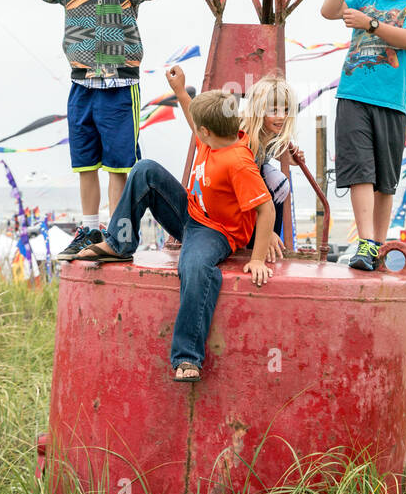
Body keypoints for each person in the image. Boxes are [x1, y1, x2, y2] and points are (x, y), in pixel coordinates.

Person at [77, 66, 276, 381]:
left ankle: (188, 357)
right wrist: (182, 92)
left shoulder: (239, 162)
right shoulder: (212, 139)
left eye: (199, 127)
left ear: (207, 131)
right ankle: (119, 242)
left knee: (195, 268)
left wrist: (257, 258)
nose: (196, 130)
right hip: (190, 213)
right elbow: (194, 118)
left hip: (215, 233)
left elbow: (267, 209)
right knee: (145, 170)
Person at [13, 0, 164, 260]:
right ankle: (89, 229)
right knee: (85, 163)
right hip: (82, 84)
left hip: (119, 84)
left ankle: (117, 234)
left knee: (118, 165)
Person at [320, 0, 406, 270]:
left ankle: (377, 244)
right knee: (360, 173)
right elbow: (328, 10)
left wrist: (370, 24)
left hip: (391, 103)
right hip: (353, 95)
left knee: (385, 180)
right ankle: (365, 242)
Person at [240, 72, 305, 246]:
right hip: (237, 187)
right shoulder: (244, 138)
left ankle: (269, 240)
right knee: (273, 183)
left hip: (251, 181)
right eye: (274, 111)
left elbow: (267, 150)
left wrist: (289, 158)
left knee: (280, 182)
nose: (281, 116)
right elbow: (247, 185)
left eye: (286, 110)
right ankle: (259, 239)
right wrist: (265, 231)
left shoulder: (266, 132)